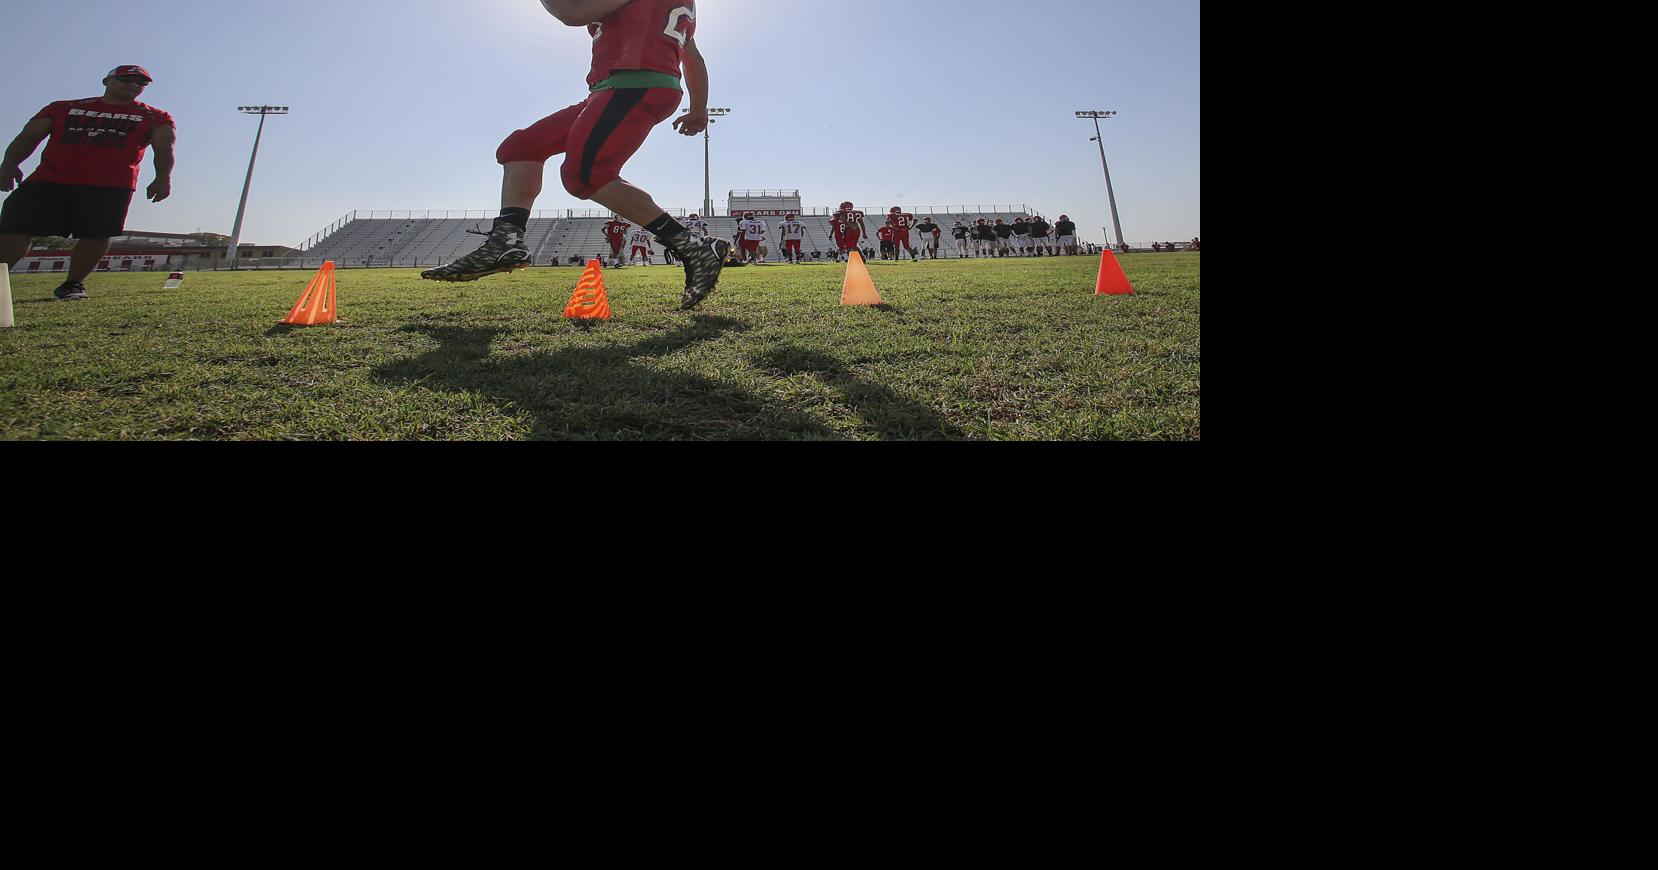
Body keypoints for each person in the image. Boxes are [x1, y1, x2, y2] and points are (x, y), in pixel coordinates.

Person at [421, 1, 729, 310]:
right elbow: (693, 56)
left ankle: (692, 246)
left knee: (586, 175)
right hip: (619, 86)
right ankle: (505, 240)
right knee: (521, 148)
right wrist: (698, 108)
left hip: (634, 81)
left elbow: (572, 13)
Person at [0, 65, 174, 301]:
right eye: (126, 79)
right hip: (49, 179)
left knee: (97, 233)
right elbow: (29, 136)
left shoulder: (156, 116)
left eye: (140, 83)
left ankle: (72, 284)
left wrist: (162, 178)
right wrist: (9, 164)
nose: (133, 85)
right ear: (106, 81)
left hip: (110, 185)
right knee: (14, 226)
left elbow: (164, 149)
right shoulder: (63, 107)